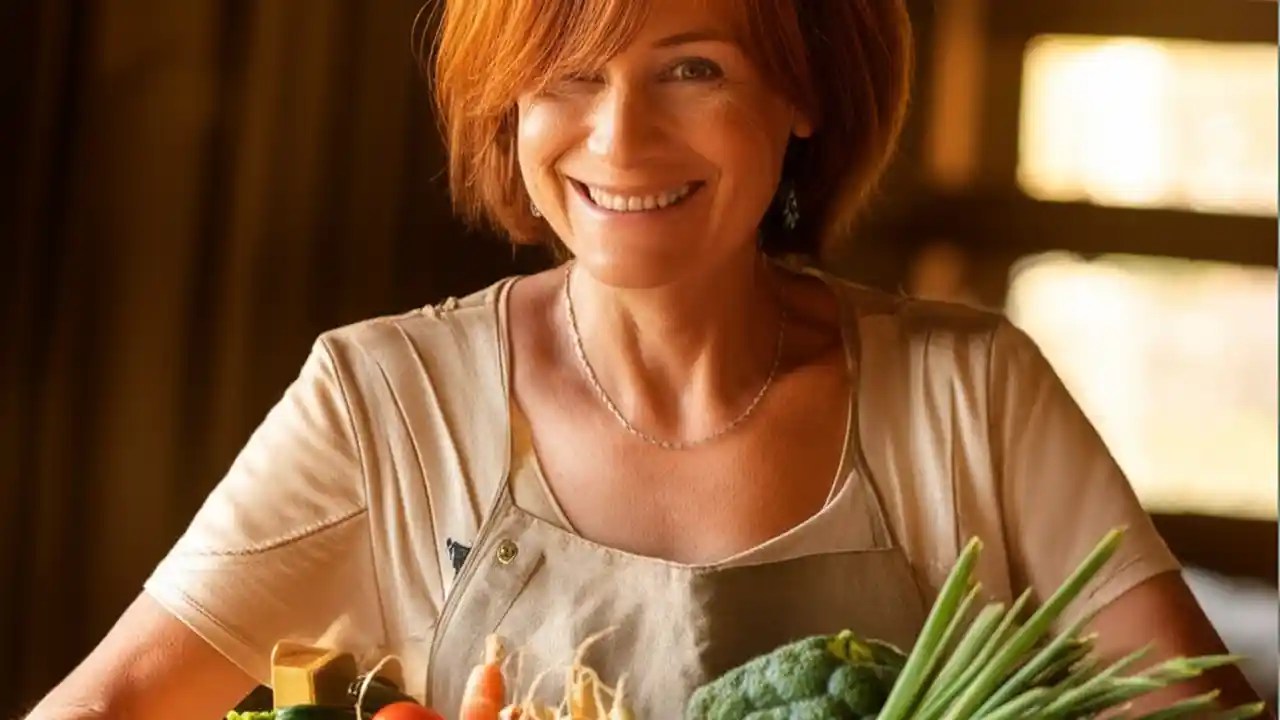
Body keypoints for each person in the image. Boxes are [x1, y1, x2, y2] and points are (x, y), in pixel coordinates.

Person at [29, 0, 1262, 717]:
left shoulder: (969, 391)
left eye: (691, 67)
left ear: (801, 91)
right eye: (565, 76)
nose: (620, 138)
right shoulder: (382, 402)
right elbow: (107, 707)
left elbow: (1181, 709)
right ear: (504, 105)